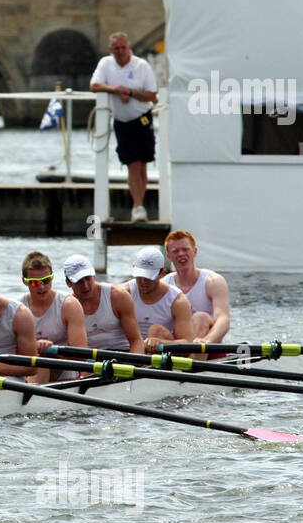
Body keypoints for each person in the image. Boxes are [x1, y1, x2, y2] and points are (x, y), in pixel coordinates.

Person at [89, 32, 158, 221]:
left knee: (142, 164)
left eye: (123, 48)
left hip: (142, 118)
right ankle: (137, 206)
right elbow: (94, 86)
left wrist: (130, 92)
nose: (120, 52)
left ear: (129, 48)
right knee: (132, 164)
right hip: (122, 121)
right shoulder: (106, 64)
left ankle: (139, 203)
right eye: (116, 49)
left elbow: (152, 95)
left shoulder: (141, 66)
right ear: (111, 50)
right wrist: (116, 90)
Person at [19, 252, 87, 382]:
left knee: (41, 363)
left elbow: (80, 356)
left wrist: (50, 351)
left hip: (64, 371)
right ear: (24, 281)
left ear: (52, 277)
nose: (42, 287)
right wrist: (35, 347)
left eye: (46, 280)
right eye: (34, 283)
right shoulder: (18, 308)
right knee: (39, 363)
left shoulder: (69, 305)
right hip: (29, 370)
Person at [61, 254, 143, 353]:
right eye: (79, 281)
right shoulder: (67, 307)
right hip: (89, 359)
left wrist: (130, 365)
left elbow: (137, 341)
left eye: (87, 278)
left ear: (94, 275)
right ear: (68, 283)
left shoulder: (118, 296)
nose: (85, 285)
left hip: (122, 354)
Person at [161, 230, 231, 343]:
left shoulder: (213, 281)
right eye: (175, 251)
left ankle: (196, 354)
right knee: (155, 330)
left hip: (208, 346)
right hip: (180, 344)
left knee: (200, 318)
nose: (181, 254)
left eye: (185, 249)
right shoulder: (164, 284)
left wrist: (207, 341)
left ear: (195, 251)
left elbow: (223, 319)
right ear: (169, 256)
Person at [128, 246, 192, 354]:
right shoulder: (123, 293)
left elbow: (188, 343)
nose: (143, 281)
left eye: (148, 277)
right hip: (131, 349)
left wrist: (160, 342)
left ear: (162, 274)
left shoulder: (178, 301)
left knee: (156, 330)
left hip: (160, 353)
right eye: (140, 275)